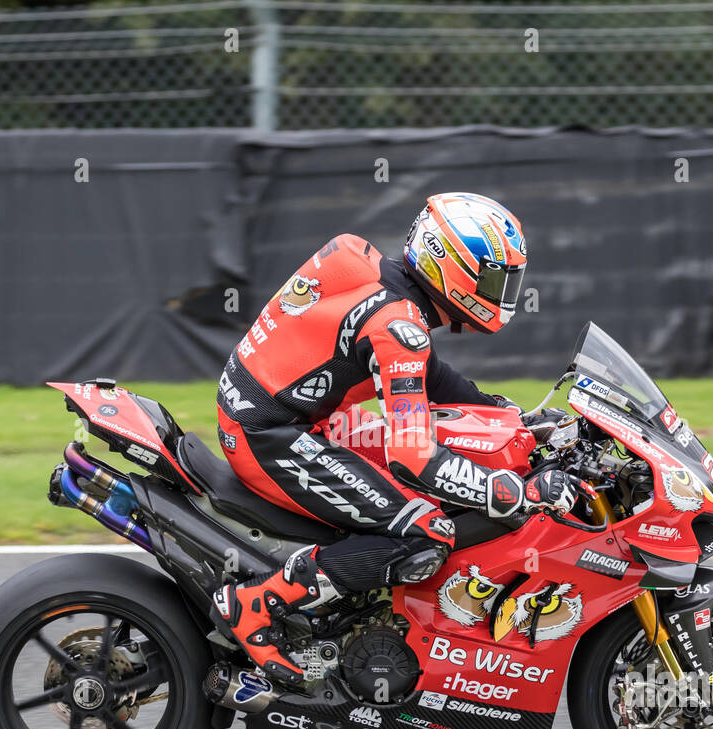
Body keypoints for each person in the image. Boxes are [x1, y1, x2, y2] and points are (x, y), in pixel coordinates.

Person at [210, 192, 577, 686]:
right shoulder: (398, 326)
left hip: (284, 413)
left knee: (426, 486)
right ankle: (255, 605)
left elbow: (432, 375)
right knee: (425, 528)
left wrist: (511, 416)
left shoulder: (371, 271)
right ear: (451, 265)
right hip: (270, 434)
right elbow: (414, 456)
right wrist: (517, 494)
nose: (502, 292)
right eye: (493, 278)